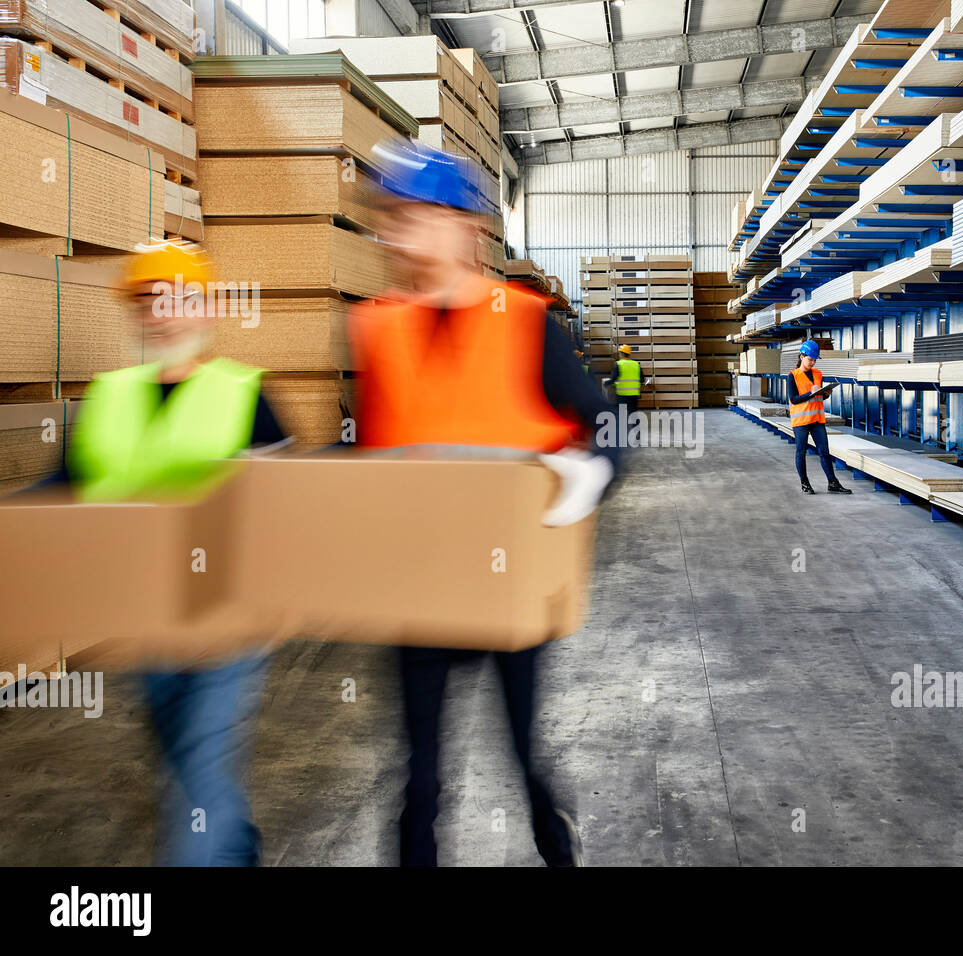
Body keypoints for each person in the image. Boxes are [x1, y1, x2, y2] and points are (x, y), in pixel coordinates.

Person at [351, 140, 619, 867]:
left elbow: (603, 423)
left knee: (527, 762)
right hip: (418, 589)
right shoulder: (378, 327)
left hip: (512, 593)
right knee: (421, 778)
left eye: (417, 216)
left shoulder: (524, 321)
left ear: (465, 226)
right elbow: (370, 458)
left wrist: (589, 471)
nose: (399, 234)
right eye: (392, 219)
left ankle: (557, 851)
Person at [66, 239, 290, 865]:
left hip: (230, 625)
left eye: (179, 297)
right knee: (189, 762)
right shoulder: (106, 399)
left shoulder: (247, 395)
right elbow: (61, 496)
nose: (164, 312)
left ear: (208, 309)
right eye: (150, 300)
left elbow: (293, 507)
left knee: (195, 773)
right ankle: (239, 850)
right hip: (147, 625)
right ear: (137, 313)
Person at [788, 340, 852, 496]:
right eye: (810, 359)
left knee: (824, 451)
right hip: (801, 421)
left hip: (817, 419)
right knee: (801, 452)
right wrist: (810, 393)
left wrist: (825, 394)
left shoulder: (818, 374)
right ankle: (805, 483)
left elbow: (819, 397)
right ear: (801, 356)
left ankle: (833, 483)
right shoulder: (793, 375)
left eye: (815, 359)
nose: (812, 362)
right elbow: (794, 399)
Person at [607, 344, 652, 416]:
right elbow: (642, 379)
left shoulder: (618, 364)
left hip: (622, 395)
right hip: (634, 395)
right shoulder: (636, 364)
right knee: (633, 413)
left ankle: (622, 427)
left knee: (621, 414)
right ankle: (636, 426)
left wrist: (605, 383)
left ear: (621, 354)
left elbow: (613, 380)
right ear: (629, 354)